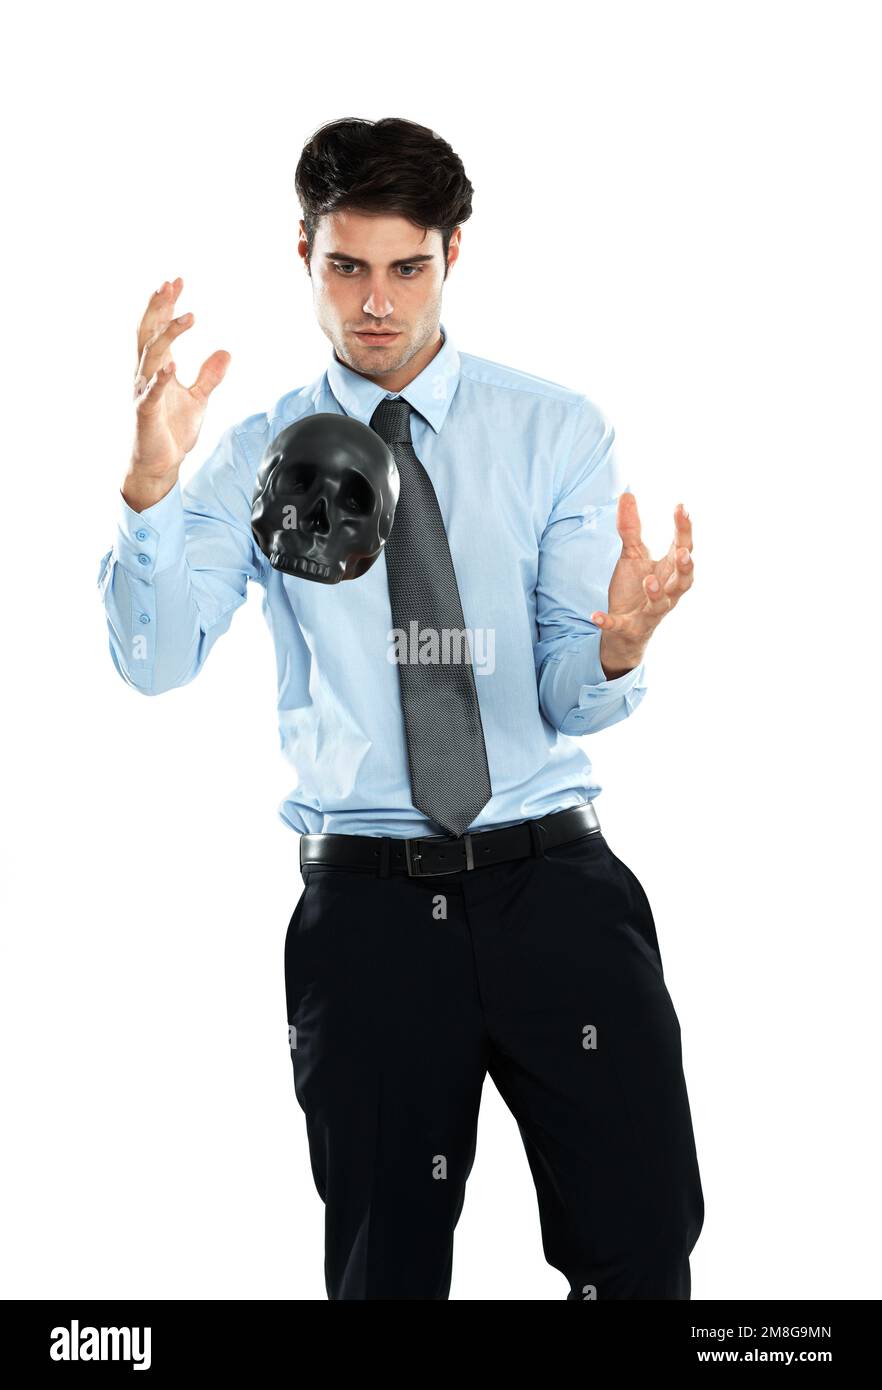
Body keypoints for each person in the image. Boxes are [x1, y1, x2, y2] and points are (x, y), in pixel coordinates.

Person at [97, 116, 704, 1301]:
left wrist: (620, 643)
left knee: (639, 1241)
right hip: (370, 918)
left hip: (557, 894)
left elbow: (569, 698)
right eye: (347, 267)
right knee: (387, 1270)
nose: (376, 302)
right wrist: (150, 490)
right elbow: (155, 660)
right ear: (307, 259)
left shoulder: (555, 432)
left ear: (453, 255)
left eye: (405, 267)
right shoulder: (253, 457)